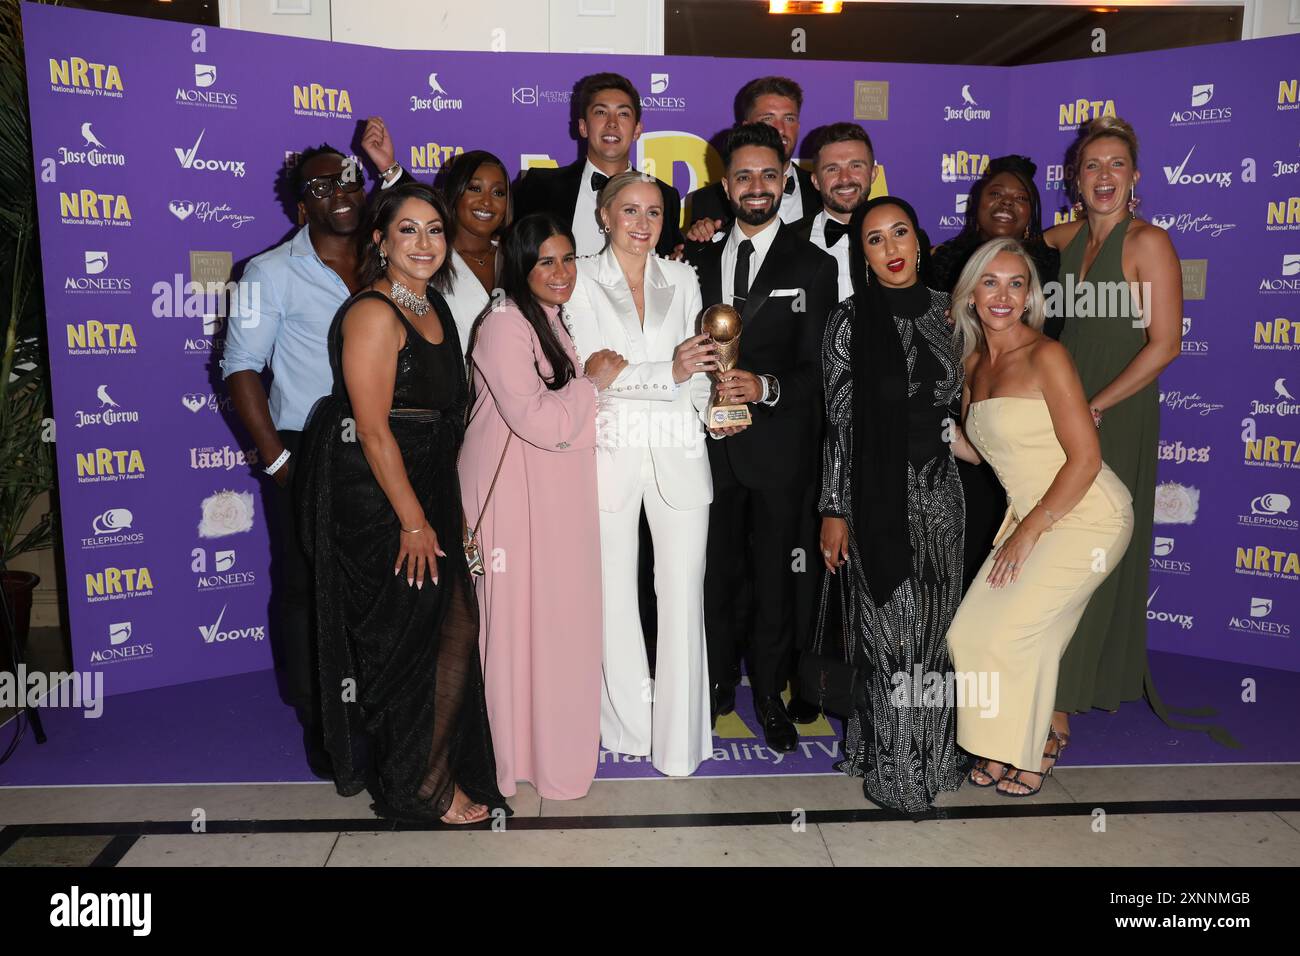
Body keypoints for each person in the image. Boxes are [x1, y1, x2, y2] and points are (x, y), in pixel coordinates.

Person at [294, 182, 505, 823]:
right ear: (380, 241)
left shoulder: (435, 309)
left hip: (428, 483)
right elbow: (375, 426)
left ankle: (431, 774)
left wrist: (452, 516)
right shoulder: (373, 312)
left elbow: (444, 427)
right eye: (407, 230)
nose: (424, 243)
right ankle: (424, 785)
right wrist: (413, 520)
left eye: (434, 230)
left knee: (454, 627)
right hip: (377, 495)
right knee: (401, 641)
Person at [1042, 116, 1227, 753]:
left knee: (1090, 547)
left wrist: (1096, 404)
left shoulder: (1149, 243)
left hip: (1114, 411)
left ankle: (1062, 701)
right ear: (1074, 176)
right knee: (1052, 546)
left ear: (1135, 177)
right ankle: (1048, 680)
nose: (1103, 176)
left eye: (1116, 164)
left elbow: (1165, 343)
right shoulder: (1060, 238)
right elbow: (996, 267)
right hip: (1061, 405)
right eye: (1092, 165)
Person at [945, 238, 1133, 797]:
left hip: (1086, 514)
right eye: (990, 283)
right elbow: (983, 450)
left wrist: (1028, 532)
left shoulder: (1046, 355)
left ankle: (1020, 749)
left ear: (1030, 296)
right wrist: (915, 429)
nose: (1003, 296)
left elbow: (1086, 458)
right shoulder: (973, 361)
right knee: (976, 633)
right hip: (1031, 515)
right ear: (971, 294)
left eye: (1016, 283)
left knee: (1005, 633)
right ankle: (1023, 746)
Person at [460, 213, 627, 800]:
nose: (561, 273)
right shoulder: (504, 325)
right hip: (514, 500)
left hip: (553, 492)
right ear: (520, 265)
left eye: (568, 259)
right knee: (515, 628)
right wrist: (594, 382)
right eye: (546, 262)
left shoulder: (550, 317)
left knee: (556, 624)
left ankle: (552, 757)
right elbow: (537, 418)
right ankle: (508, 761)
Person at [687, 123, 837, 752]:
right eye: (743, 176)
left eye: (769, 176)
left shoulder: (814, 264)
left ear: (786, 183)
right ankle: (717, 686)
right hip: (703, 450)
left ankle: (770, 693)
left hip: (778, 451)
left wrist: (766, 386)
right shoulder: (691, 257)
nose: (756, 188)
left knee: (777, 580)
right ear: (726, 185)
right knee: (714, 574)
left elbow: (820, 368)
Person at [566, 171, 718, 777]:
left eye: (654, 212)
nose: (642, 222)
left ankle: (680, 741)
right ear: (604, 215)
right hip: (607, 455)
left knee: (682, 593)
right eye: (629, 210)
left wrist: (714, 412)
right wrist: (669, 372)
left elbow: (699, 365)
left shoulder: (682, 277)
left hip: (681, 450)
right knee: (612, 596)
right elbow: (586, 371)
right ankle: (627, 727)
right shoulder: (575, 278)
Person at [818, 196, 967, 812]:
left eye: (899, 233)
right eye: (874, 240)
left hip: (944, 496)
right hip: (876, 499)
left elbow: (976, 403)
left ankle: (934, 756)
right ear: (863, 255)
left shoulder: (953, 314)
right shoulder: (848, 322)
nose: (890, 249)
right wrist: (833, 508)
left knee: (937, 636)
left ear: (920, 241)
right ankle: (895, 774)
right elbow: (838, 424)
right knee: (892, 640)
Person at [222, 144, 367, 778]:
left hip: (385, 445)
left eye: (347, 179)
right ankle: (321, 723)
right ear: (300, 199)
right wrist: (279, 462)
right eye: (321, 185)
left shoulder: (391, 257)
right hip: (306, 445)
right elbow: (241, 368)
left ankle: (373, 709)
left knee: (375, 583)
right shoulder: (267, 272)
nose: (339, 191)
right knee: (308, 585)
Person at [930, 155, 1061, 594]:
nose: (1007, 203)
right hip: (969, 429)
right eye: (996, 194)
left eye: (1020, 197)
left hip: (1028, 437)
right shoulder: (939, 261)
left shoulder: (1050, 265)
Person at [360, 122, 511, 352]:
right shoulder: (428, 256)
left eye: (498, 192)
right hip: (447, 385)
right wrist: (389, 167)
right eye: (474, 188)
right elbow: (415, 207)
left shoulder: (516, 255)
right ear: (454, 192)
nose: (487, 202)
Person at [512, 73, 684, 257]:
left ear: (637, 130)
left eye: (623, 114)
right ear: (583, 127)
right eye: (601, 112)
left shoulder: (665, 196)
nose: (612, 123)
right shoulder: (540, 187)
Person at [685, 76, 822, 243]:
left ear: (798, 126)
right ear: (746, 126)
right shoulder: (709, 200)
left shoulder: (821, 191)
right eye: (768, 118)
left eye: (789, 118)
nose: (780, 129)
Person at [791, 122, 880, 302]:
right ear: (815, 181)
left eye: (856, 166)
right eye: (832, 169)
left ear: (873, 174)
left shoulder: (905, 241)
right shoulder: (789, 242)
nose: (845, 178)